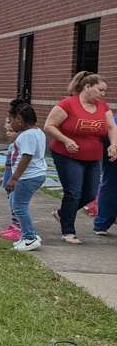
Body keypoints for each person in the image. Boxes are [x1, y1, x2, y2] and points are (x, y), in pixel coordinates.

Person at [44, 72, 117, 244]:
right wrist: (66, 140)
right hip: (67, 155)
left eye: (105, 91)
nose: (103, 94)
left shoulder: (103, 107)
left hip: (93, 156)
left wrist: (113, 144)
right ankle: (68, 231)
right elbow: (49, 126)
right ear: (87, 87)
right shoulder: (68, 104)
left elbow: (111, 127)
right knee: (73, 192)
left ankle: (63, 213)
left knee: (90, 193)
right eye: (100, 90)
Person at [7, 103, 48, 252]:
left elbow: (26, 156)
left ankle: (30, 238)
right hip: (33, 175)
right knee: (14, 201)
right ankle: (27, 236)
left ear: (19, 119)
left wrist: (14, 178)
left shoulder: (27, 135)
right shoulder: (38, 132)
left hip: (28, 177)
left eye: (11, 120)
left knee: (19, 206)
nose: (10, 124)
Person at [0, 98, 26, 240]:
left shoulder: (21, 144)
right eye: (6, 130)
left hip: (17, 180)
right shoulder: (11, 146)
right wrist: (5, 177)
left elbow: (20, 164)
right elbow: (9, 165)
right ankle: (14, 225)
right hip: (10, 178)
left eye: (11, 131)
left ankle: (19, 228)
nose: (8, 133)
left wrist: (14, 179)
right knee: (11, 202)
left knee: (17, 203)